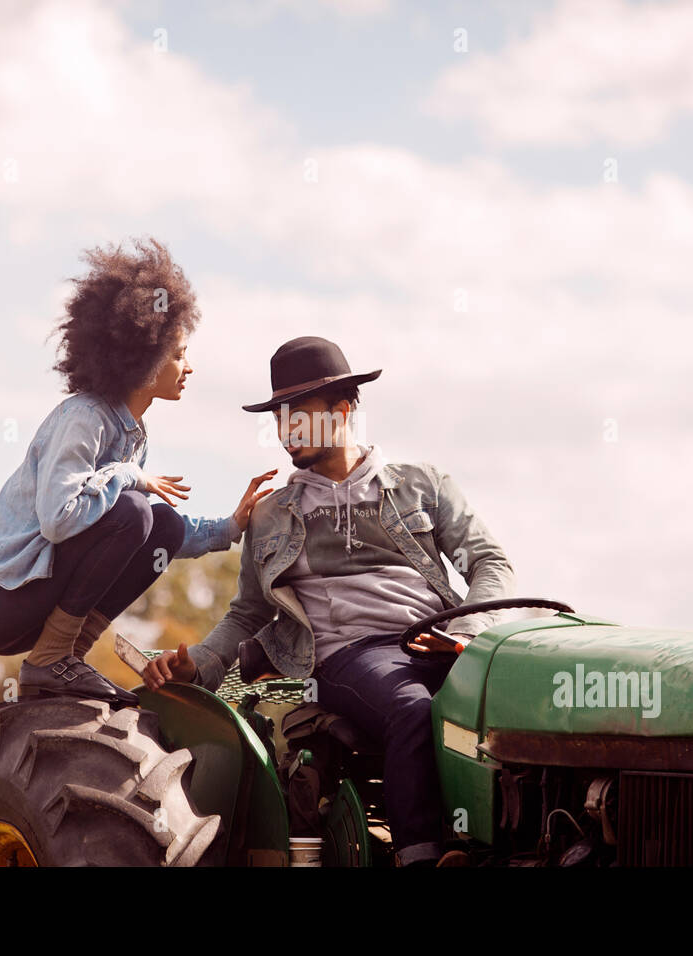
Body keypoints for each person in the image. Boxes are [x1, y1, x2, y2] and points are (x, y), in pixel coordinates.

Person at [142, 335, 516, 866]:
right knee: (413, 709)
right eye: (278, 418)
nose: (284, 431)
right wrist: (200, 663)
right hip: (349, 655)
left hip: (443, 641)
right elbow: (248, 613)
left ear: (342, 411)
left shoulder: (423, 484)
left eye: (297, 416)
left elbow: (490, 562)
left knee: (523, 702)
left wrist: (467, 637)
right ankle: (421, 856)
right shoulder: (273, 515)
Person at [0, 237, 275, 705]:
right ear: (144, 354)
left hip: (31, 595)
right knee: (137, 511)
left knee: (158, 522)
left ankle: (64, 661)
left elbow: (146, 534)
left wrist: (230, 526)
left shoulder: (133, 432)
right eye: (180, 353)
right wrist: (127, 474)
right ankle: (52, 660)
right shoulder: (83, 417)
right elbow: (60, 519)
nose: (189, 367)